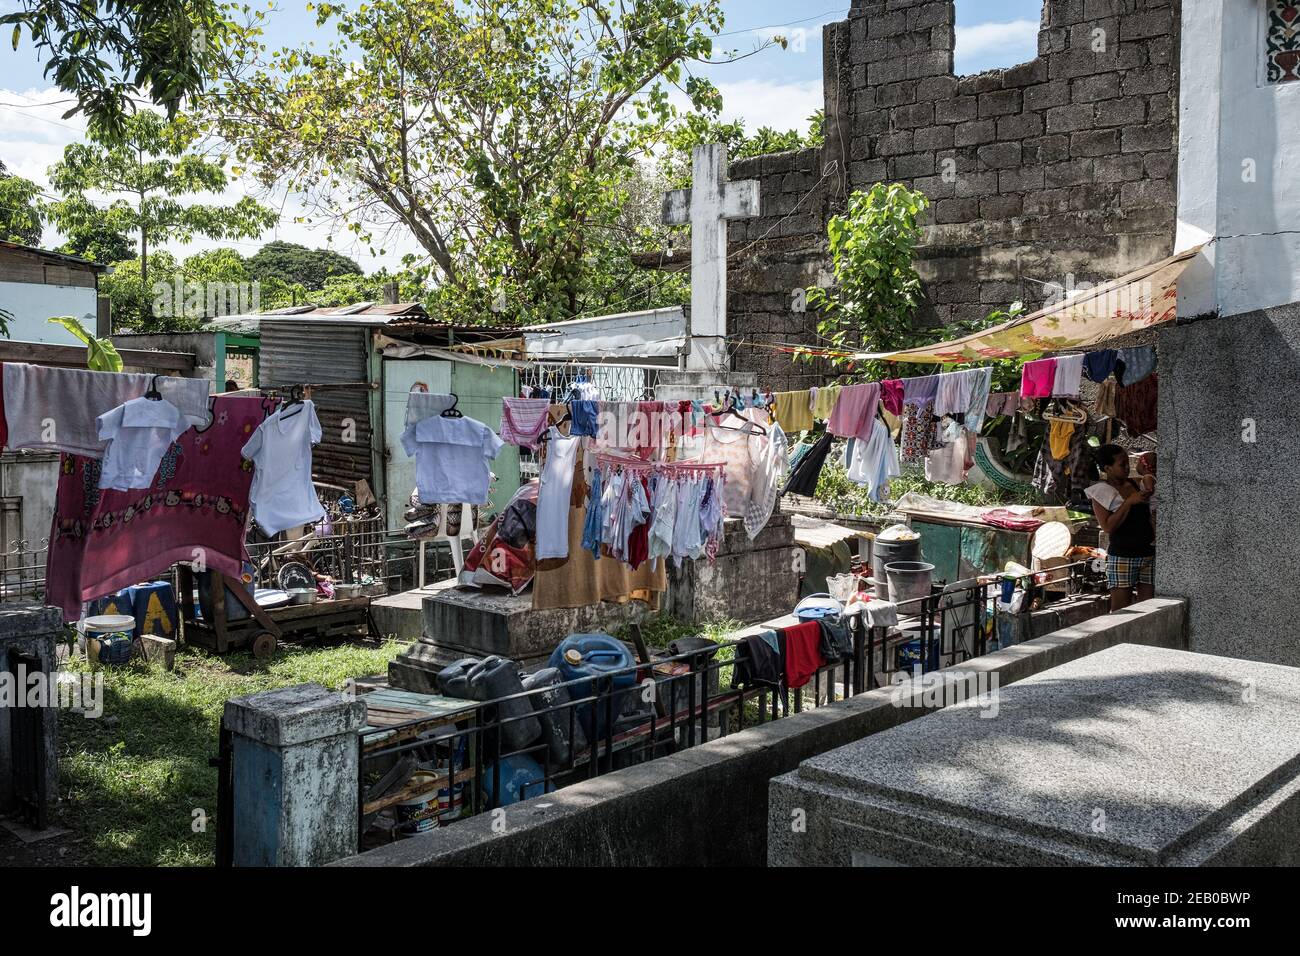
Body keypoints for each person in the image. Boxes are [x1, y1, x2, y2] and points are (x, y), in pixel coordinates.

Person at [1086, 444, 1155, 611]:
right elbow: (1108, 526)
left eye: (1127, 463)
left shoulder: (1133, 484)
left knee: (1149, 609)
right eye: (1122, 464)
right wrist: (1130, 502)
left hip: (1147, 554)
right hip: (1122, 556)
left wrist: (1148, 478)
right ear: (1107, 468)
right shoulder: (1100, 492)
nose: (1126, 468)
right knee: (1120, 611)